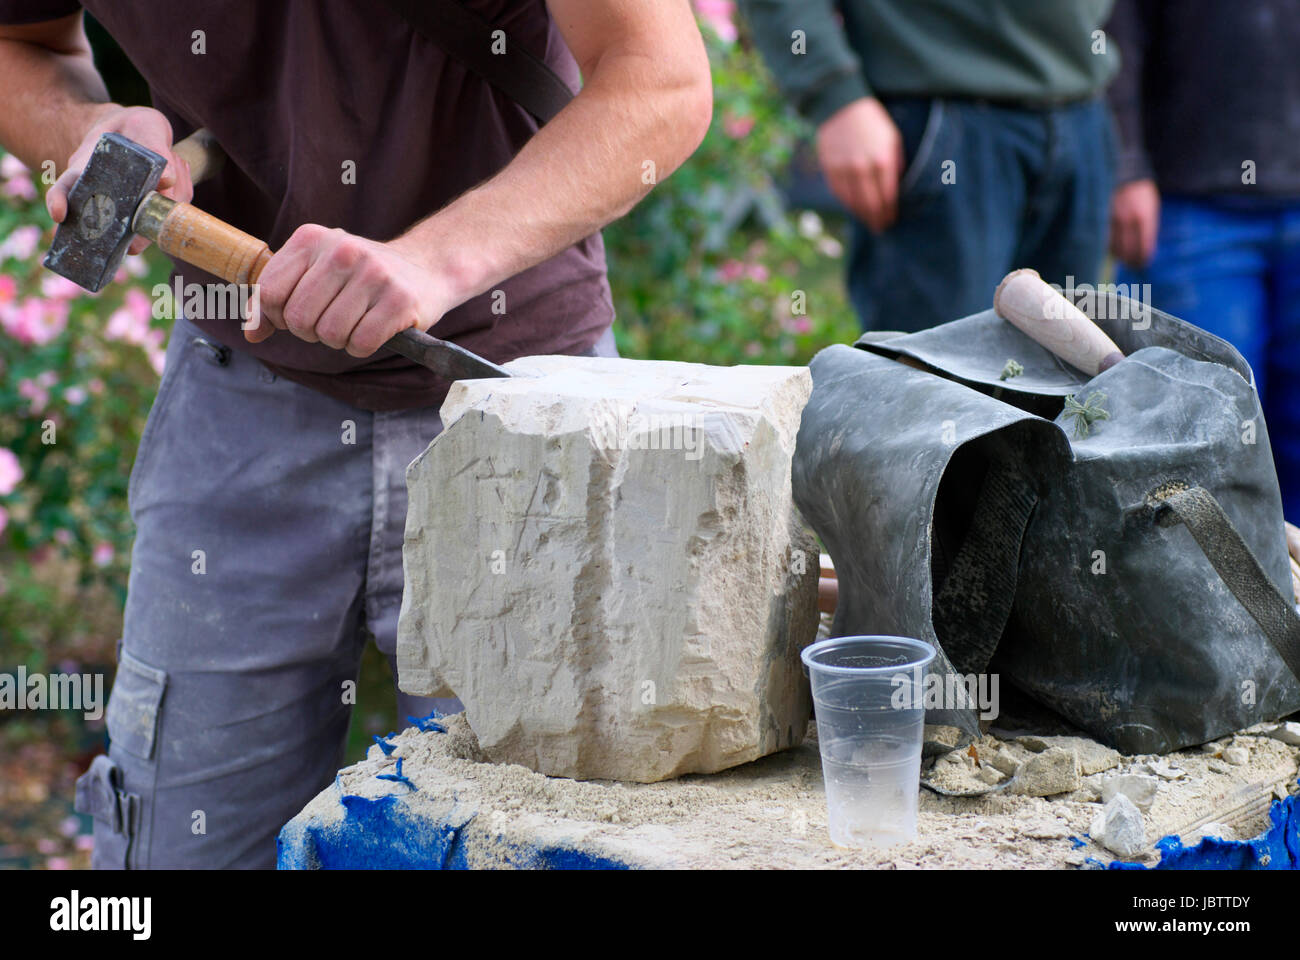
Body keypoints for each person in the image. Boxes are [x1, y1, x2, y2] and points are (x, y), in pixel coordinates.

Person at [0, 0, 711, 868]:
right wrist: (92, 123)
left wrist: (436, 260)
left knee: (522, 846)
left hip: (510, 406)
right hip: (235, 406)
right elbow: (20, 43)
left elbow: (662, 82)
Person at [739, 0, 1117, 333]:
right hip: (942, 121)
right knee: (937, 389)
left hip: (1082, 109)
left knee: (1066, 385)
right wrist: (834, 96)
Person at [1107, 0, 1300, 522]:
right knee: (1203, 446)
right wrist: (1124, 165)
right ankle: (1219, 601)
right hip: (1187, 208)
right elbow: (1113, 28)